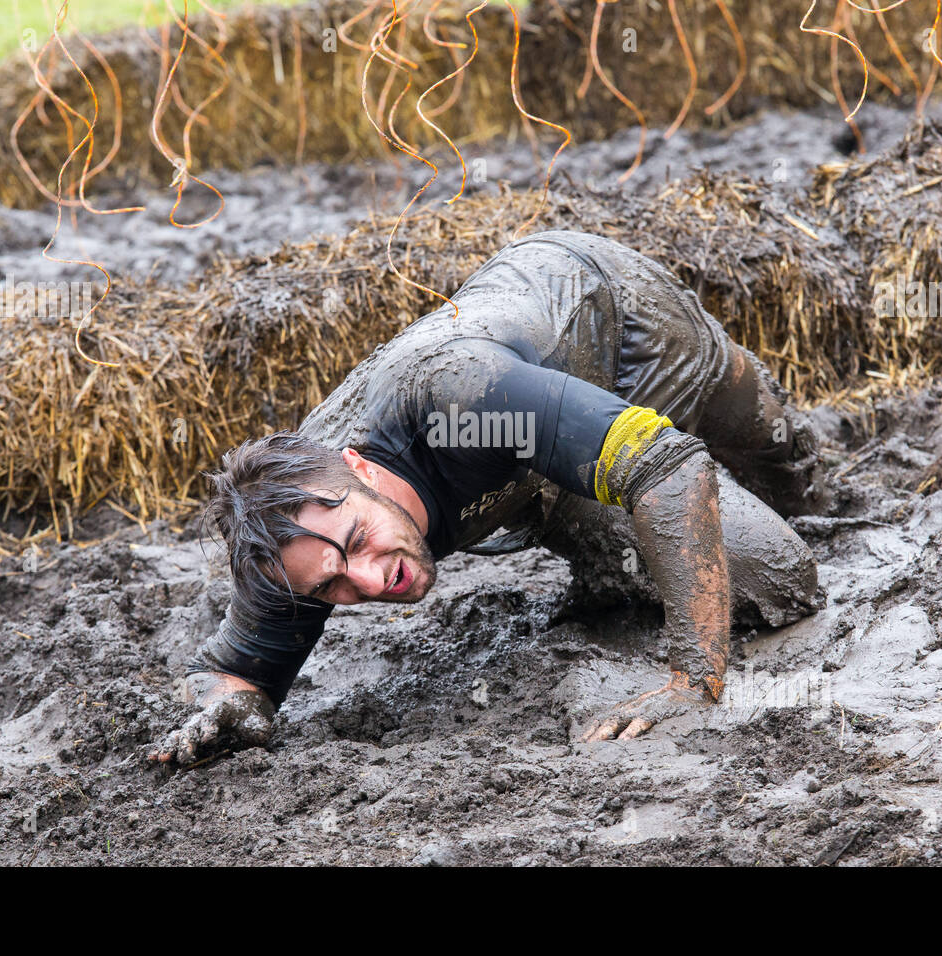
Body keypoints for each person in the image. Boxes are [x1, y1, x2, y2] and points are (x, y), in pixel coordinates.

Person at [149, 230, 824, 766]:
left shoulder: (462, 399)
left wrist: (693, 684)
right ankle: (595, 526)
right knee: (758, 566)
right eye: (333, 589)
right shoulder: (290, 536)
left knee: (783, 482)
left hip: (619, 324)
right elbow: (229, 674)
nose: (370, 579)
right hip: (540, 479)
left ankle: (703, 465)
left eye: (358, 543)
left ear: (359, 469)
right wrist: (234, 709)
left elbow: (669, 466)